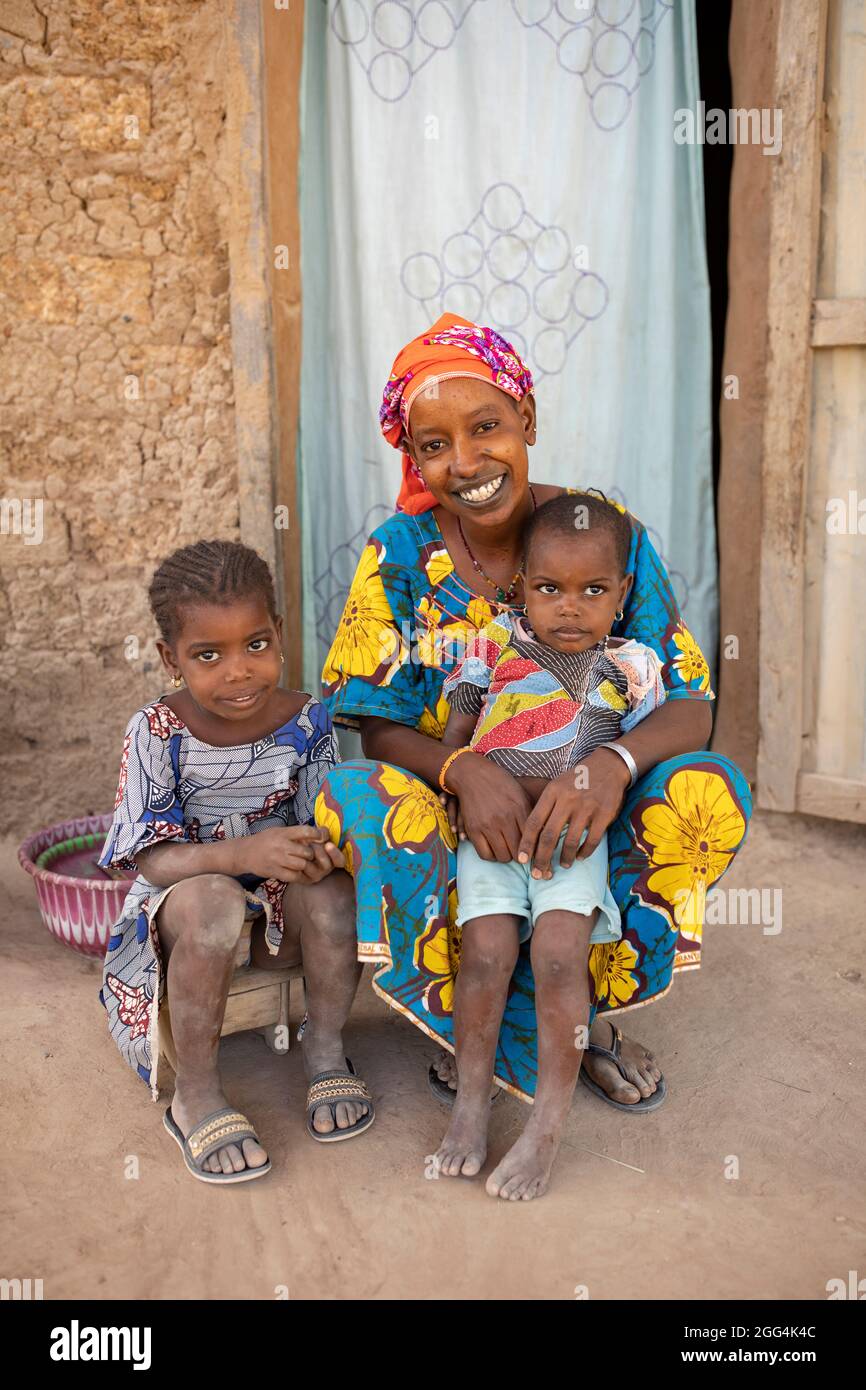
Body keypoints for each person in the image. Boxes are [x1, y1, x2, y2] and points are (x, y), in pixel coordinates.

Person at [316, 312, 751, 1146]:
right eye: (434, 444)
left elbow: (690, 699)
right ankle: (479, 1026)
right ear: (413, 458)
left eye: (487, 428)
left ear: (528, 423)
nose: (467, 463)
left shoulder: (601, 530)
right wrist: (462, 772)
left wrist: (616, 764)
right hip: (460, 812)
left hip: (589, 807)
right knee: (356, 795)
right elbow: (375, 721)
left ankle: (582, 1016)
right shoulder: (399, 553)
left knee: (706, 786)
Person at [100, 540, 372, 1186]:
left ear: (278, 634)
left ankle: (327, 1047)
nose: (239, 672)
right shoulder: (156, 733)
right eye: (207, 655)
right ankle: (195, 1094)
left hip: (275, 915)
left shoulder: (307, 722)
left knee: (335, 892)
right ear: (171, 660)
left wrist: (327, 848)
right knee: (215, 899)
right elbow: (153, 859)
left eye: (255, 644)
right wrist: (244, 853)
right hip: (184, 915)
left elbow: (318, 818)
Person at [434, 491, 665, 1199]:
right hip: (495, 836)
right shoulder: (491, 647)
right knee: (487, 955)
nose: (570, 607)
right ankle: (473, 1105)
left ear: (623, 593)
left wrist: (614, 787)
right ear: (520, 590)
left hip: (571, 840)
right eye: (549, 589)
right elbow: (454, 742)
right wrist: (454, 787)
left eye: (593, 590)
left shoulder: (634, 668)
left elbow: (648, 759)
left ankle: (545, 1130)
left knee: (562, 955)